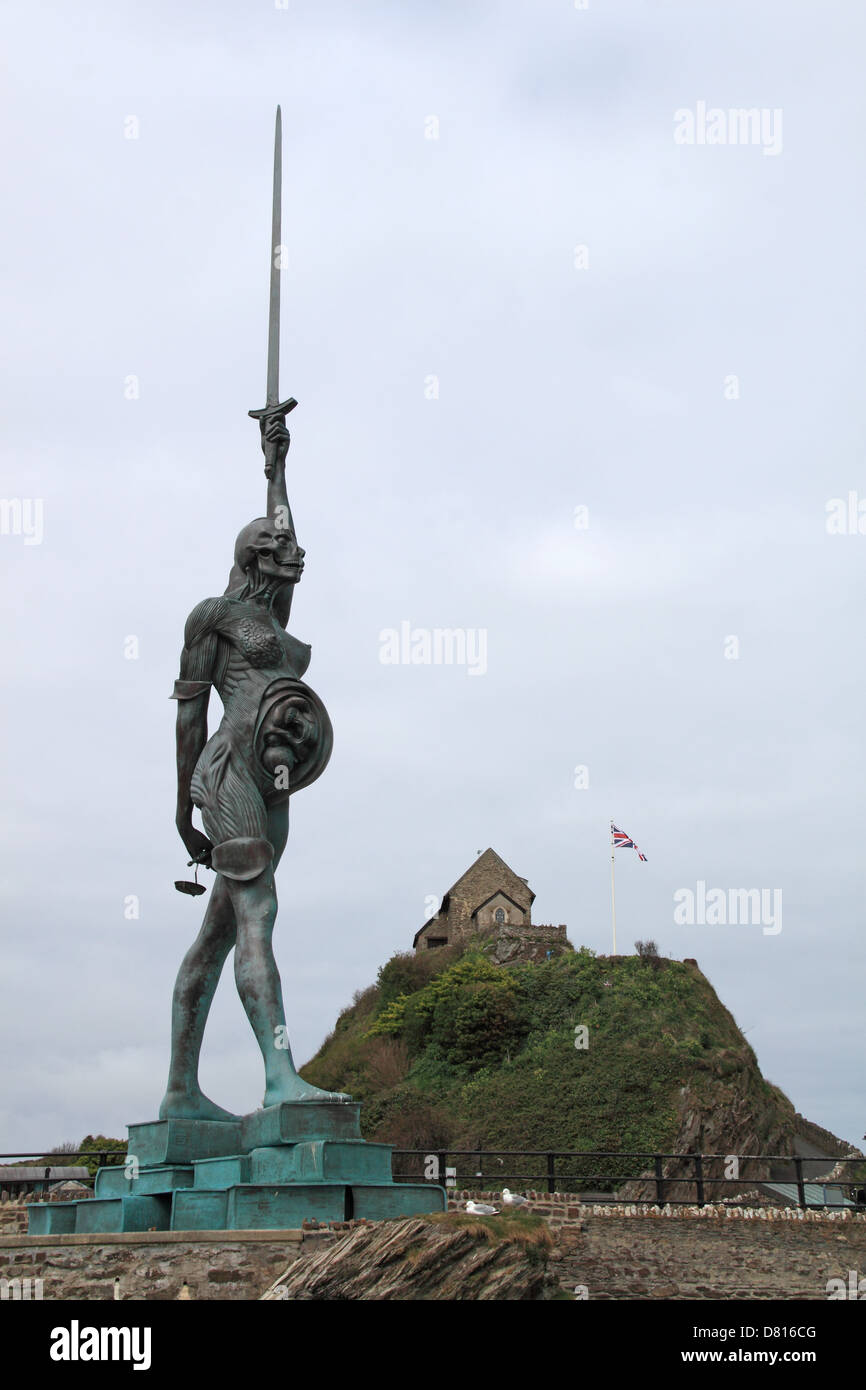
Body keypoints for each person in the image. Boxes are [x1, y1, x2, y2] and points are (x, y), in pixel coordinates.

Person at [159, 417, 346, 1120]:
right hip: (233, 773)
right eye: (273, 549)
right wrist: (183, 809)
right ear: (249, 559)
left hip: (276, 782)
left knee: (217, 932)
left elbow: (282, 523)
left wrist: (275, 462)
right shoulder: (213, 617)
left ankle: (179, 1093)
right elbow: (188, 715)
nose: (288, 552)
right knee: (259, 912)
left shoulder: (274, 610)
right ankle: (280, 1077)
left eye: (287, 546)